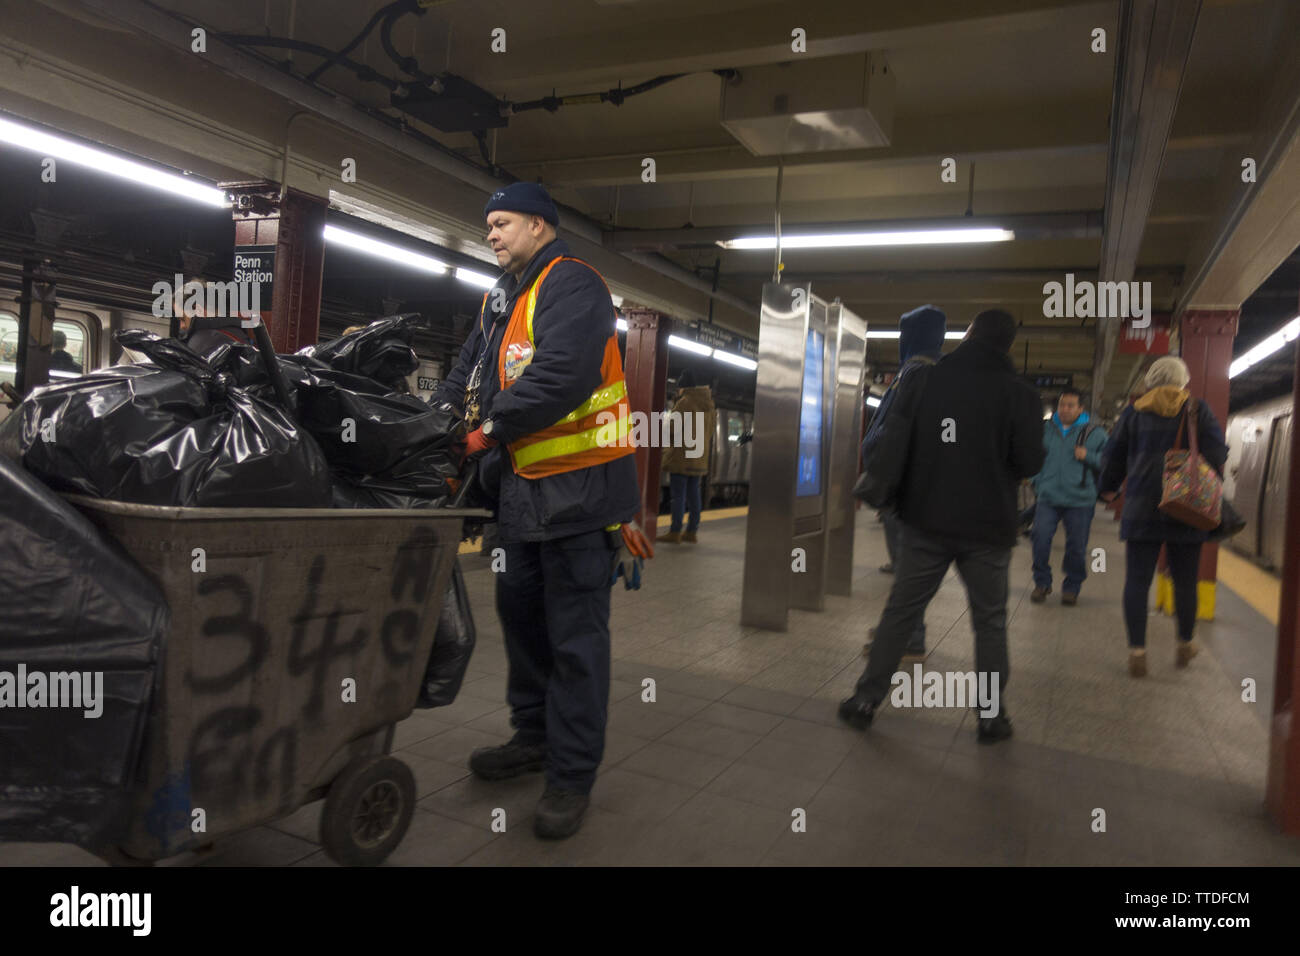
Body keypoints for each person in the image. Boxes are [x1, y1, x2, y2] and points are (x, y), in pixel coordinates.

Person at [430, 182, 641, 839]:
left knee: (575, 643)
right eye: (487, 224)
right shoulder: (500, 298)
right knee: (521, 624)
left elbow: (562, 376)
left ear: (540, 227)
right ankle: (532, 737)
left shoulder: (573, 284)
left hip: (578, 497)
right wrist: (431, 427)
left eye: (503, 223)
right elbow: (467, 372)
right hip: (521, 497)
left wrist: (485, 433)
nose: (490, 233)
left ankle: (570, 778)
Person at [839, 309, 1045, 742]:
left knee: (902, 611)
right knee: (989, 622)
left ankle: (865, 700)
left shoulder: (926, 379)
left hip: (926, 519)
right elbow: (1029, 463)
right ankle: (991, 717)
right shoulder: (1022, 396)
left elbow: (896, 440)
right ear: (1008, 345)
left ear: (968, 333)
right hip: (988, 528)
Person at [1097, 356, 1227, 677]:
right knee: (1185, 582)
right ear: (1183, 381)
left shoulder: (1135, 411)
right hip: (1187, 507)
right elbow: (1218, 454)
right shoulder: (1197, 409)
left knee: (1137, 582)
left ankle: (1137, 651)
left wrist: (1108, 488)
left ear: (1151, 381)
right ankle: (1185, 643)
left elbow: (1112, 456)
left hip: (1142, 507)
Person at [860, 305, 947, 661]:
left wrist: (874, 458)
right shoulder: (937, 373)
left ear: (911, 337)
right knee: (907, 569)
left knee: (907, 571)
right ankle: (899, 630)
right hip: (917, 485)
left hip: (904, 487)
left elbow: (892, 429)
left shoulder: (915, 372)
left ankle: (911, 639)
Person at [1029, 388, 1109, 605]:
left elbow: (1110, 462)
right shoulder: (1045, 429)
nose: (1064, 409)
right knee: (1040, 539)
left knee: (1076, 547)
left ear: (1081, 409)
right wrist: (1037, 480)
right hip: (1048, 497)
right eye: (1062, 405)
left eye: (1070, 405)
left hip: (1080, 500)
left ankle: (1072, 587)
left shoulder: (1095, 433)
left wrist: (1089, 455)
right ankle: (1041, 582)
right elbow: (1033, 455)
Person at [659, 370, 716, 544]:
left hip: (682, 457)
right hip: (699, 457)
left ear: (683, 388)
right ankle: (692, 532)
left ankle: (675, 532)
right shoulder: (710, 405)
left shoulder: (685, 402)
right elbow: (711, 432)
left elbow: (671, 429)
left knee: (678, 496)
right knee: (694, 495)